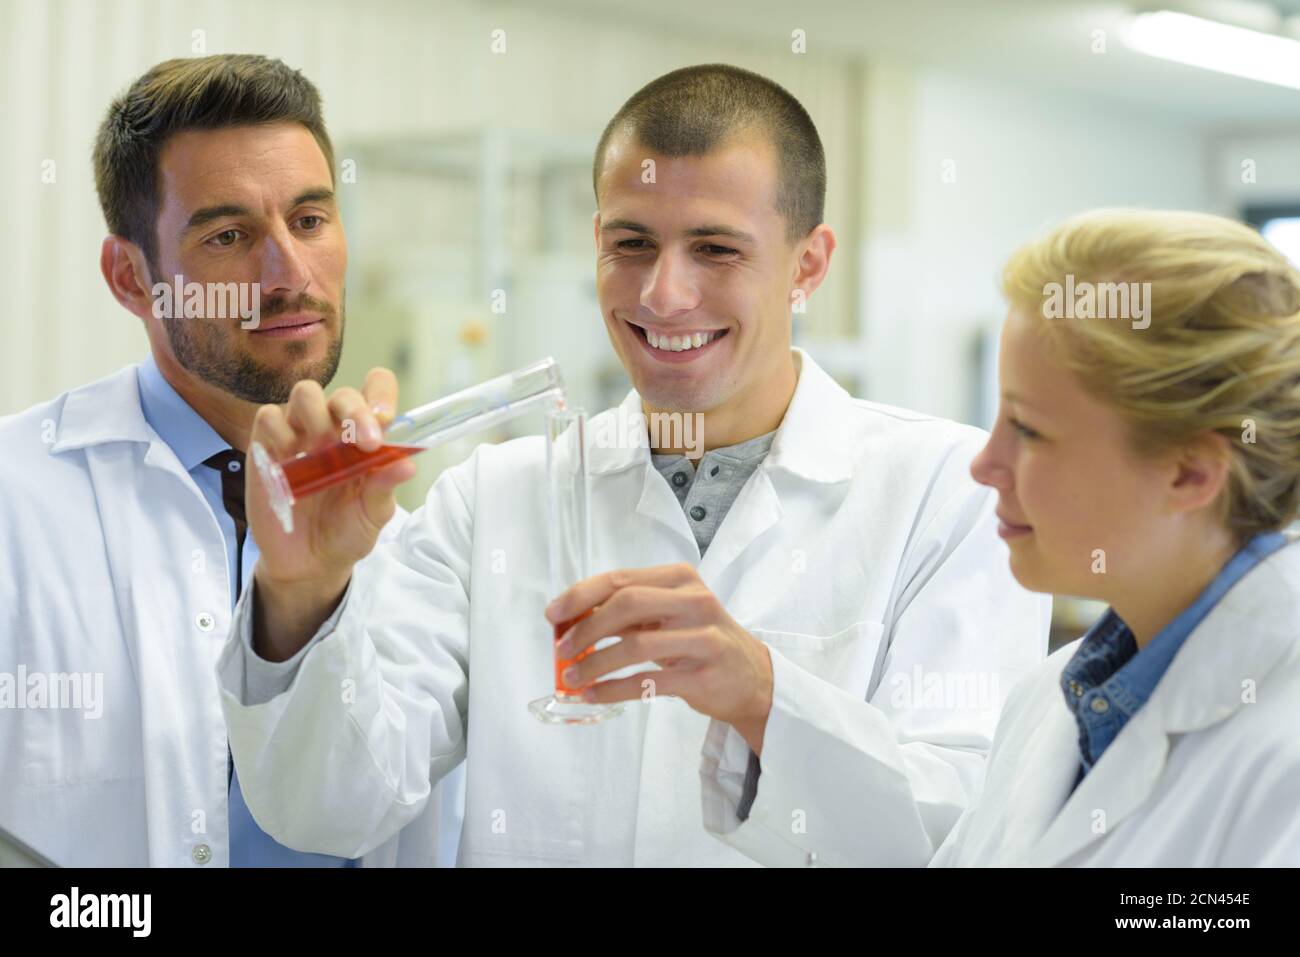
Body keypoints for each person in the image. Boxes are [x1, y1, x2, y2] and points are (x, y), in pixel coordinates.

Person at [219, 64, 1050, 867]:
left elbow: (966, 833)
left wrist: (764, 696)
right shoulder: (491, 503)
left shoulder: (949, 495)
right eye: (633, 243)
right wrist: (303, 595)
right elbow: (328, 808)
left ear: (809, 264)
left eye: (717, 249)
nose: (662, 293)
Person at [0, 54, 461, 867]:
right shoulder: (16, 501)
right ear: (131, 278)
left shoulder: (405, 539)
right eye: (229, 236)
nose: (289, 274)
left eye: (311, 220)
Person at [738, 208, 1300, 866]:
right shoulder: (1050, 703)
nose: (985, 464)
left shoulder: (1281, 744)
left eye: (1029, 430)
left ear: (1189, 471)